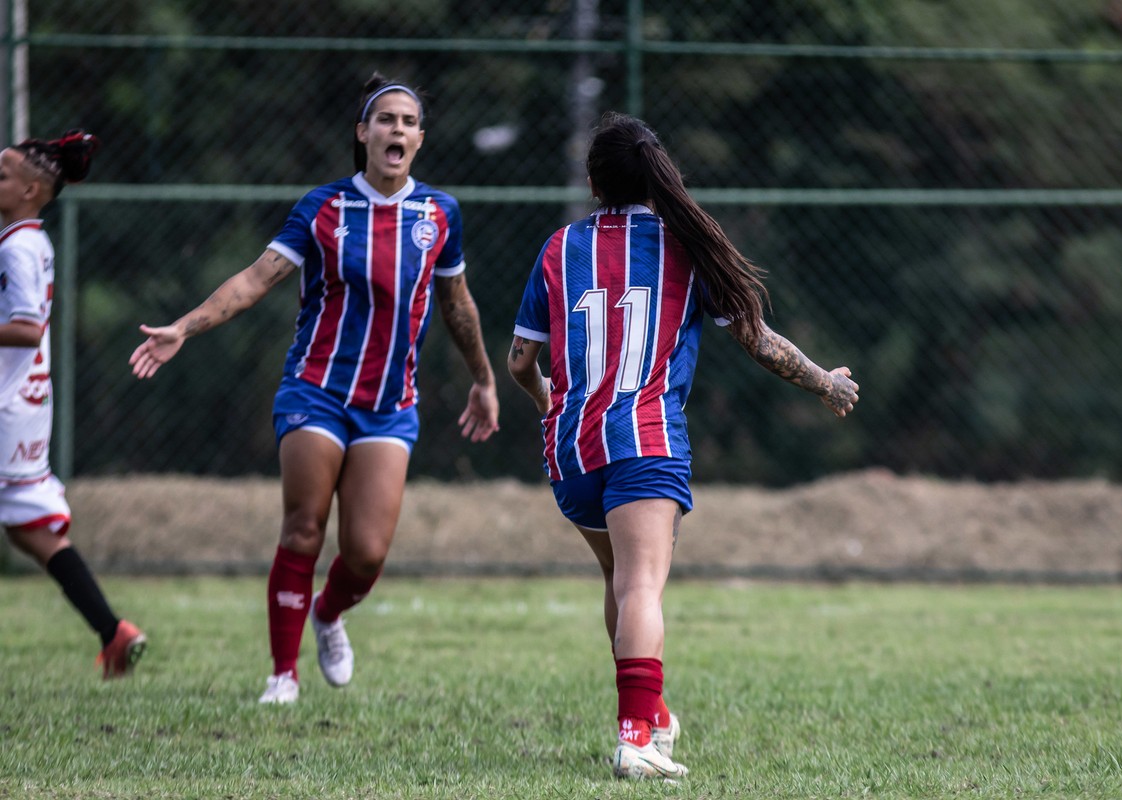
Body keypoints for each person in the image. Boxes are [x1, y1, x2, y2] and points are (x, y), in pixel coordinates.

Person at [507, 112, 859, 781]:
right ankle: (635, 737)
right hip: (645, 441)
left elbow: (522, 360)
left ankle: (654, 713)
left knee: (620, 580)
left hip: (572, 450)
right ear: (658, 176)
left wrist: (547, 400)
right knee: (642, 583)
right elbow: (759, 341)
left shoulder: (559, 247)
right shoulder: (684, 245)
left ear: (593, 183)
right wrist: (824, 382)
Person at [130, 73, 500, 704]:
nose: (398, 129)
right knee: (304, 526)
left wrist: (484, 380)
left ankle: (328, 613)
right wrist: (183, 328)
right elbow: (255, 279)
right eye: (386, 119)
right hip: (316, 390)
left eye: (409, 122)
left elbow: (457, 304)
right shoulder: (324, 208)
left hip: (390, 405)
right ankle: (283, 675)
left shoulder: (441, 214)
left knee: (366, 553)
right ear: (363, 132)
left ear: (420, 139)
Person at [0, 130, 147, 679]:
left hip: (8, 407)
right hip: (25, 403)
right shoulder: (31, 240)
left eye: (2, 175)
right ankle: (113, 632)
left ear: (30, 190)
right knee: (30, 532)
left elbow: (25, 328)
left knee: (30, 530)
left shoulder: (16, 248)